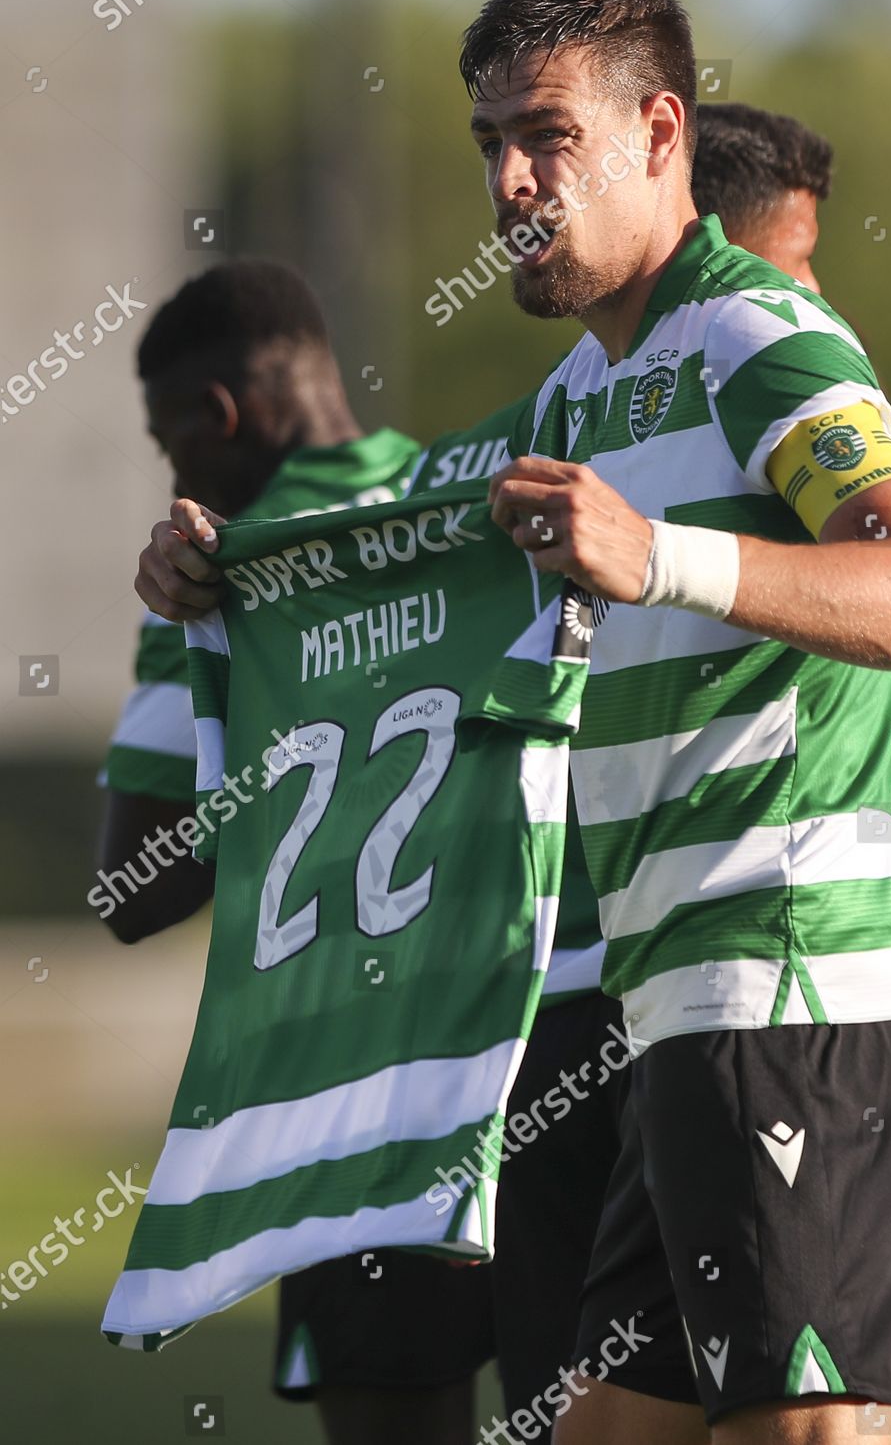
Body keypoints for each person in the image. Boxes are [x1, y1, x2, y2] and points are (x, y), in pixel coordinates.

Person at [461, 0, 891, 1445]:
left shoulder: (756, 336)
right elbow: (423, 563)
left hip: (788, 983)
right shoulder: (578, 391)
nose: (510, 183)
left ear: (657, 133)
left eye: (547, 137)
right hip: (680, 1000)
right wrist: (228, 575)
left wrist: (663, 557)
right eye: (492, 143)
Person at [99, 259, 502, 1445]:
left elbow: (130, 888)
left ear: (217, 415)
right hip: (527, 1045)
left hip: (345, 1088)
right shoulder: (467, 496)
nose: (172, 478)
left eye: (169, 443)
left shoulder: (214, 570)